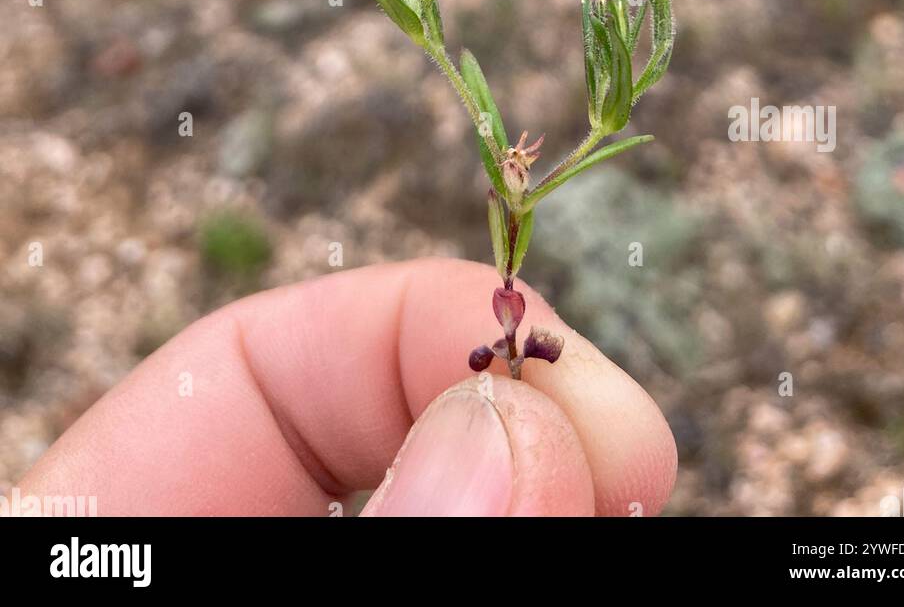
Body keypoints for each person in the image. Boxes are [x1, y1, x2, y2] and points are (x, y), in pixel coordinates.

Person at [21, 258, 676, 517]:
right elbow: (489, 350)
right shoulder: (492, 344)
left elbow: (530, 344)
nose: (507, 326)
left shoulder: (519, 340)